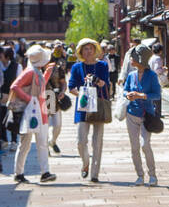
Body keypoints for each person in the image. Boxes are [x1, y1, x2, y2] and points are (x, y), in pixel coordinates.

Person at [10, 44, 56, 184]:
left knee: (39, 143)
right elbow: (14, 86)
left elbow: (40, 86)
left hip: (39, 111)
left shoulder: (35, 71)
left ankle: (44, 172)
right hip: (31, 112)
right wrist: (29, 99)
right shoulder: (30, 72)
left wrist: (47, 73)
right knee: (26, 144)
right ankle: (19, 173)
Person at [67, 39, 111, 183]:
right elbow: (71, 87)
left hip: (98, 105)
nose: (89, 51)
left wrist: (97, 81)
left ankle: (94, 173)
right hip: (83, 107)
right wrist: (81, 93)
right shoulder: (76, 67)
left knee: (97, 141)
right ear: (81, 52)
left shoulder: (102, 65)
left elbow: (106, 84)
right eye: (85, 49)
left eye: (91, 48)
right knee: (81, 141)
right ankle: (85, 163)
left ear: (95, 50)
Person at [122, 43, 161, 186]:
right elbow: (124, 91)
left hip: (146, 115)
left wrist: (141, 95)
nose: (130, 60)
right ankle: (139, 175)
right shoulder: (131, 75)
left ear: (140, 59)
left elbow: (157, 94)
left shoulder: (151, 76)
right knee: (134, 146)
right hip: (131, 113)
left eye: (132, 57)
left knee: (145, 145)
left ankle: (153, 175)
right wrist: (128, 95)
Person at [46, 42, 68, 155]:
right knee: (45, 124)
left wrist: (63, 91)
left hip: (55, 95)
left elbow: (63, 82)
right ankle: (45, 146)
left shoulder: (59, 67)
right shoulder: (41, 67)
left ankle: (52, 141)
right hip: (44, 96)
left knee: (57, 125)